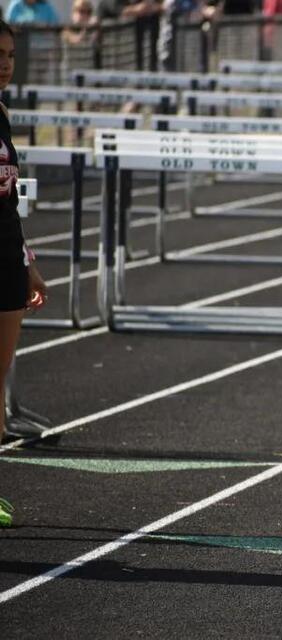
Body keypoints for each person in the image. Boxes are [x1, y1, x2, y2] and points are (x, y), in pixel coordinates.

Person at [0, 18, 48, 527]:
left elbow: (9, 204)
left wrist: (28, 264)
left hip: (7, 261)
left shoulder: (3, 114)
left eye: (10, 55)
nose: (5, 64)